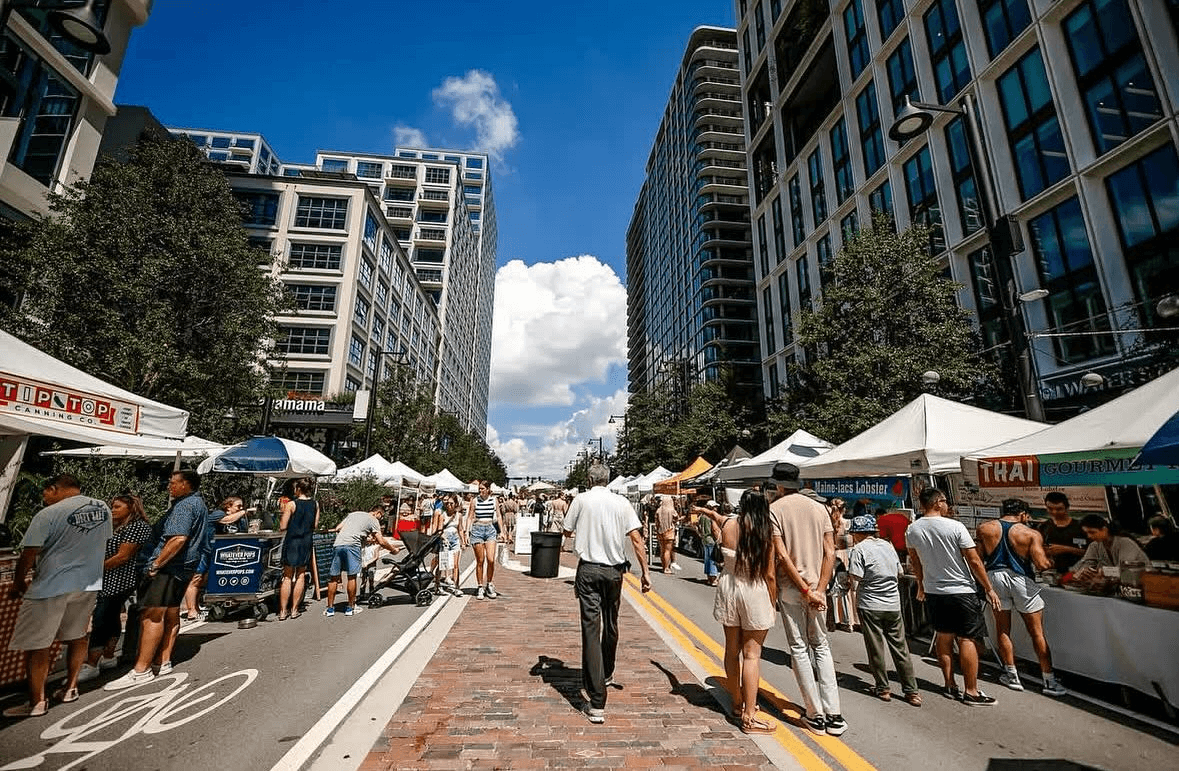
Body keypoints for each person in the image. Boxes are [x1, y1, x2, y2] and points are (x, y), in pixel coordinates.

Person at [4, 474, 112, 717]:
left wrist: (19, 582)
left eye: (45, 494)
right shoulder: (102, 508)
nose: (44, 499)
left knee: (37, 644)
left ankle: (37, 702)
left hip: (51, 586)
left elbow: (29, 553)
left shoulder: (48, 514)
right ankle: (71, 688)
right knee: (77, 637)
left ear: (53, 489)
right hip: (88, 583)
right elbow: (100, 541)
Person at [714, 489, 811, 733]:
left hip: (729, 588)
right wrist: (772, 600)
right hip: (753, 589)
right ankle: (749, 715)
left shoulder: (728, 526)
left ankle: (737, 703)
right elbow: (769, 574)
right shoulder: (764, 532)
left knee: (731, 650)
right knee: (752, 655)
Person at [563, 463, 651, 724]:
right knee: (611, 624)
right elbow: (636, 539)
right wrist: (646, 572)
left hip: (588, 570)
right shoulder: (621, 503)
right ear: (609, 479)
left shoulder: (581, 500)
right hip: (614, 572)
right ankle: (608, 672)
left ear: (589, 479)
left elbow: (566, 531)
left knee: (591, 629)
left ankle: (597, 700)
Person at [105, 470, 208, 691]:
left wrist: (156, 564)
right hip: (182, 568)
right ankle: (163, 661)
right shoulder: (197, 503)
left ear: (186, 485)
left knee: (153, 614)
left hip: (168, 568)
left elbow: (178, 538)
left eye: (173, 483)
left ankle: (141, 670)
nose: (169, 487)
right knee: (171, 612)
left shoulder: (184, 506)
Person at [765, 462, 845, 736]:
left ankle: (814, 713)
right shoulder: (819, 508)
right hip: (816, 588)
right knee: (821, 647)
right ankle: (834, 712)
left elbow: (782, 555)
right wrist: (819, 588)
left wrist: (804, 589)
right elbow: (830, 553)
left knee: (799, 648)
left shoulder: (774, 509)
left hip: (792, 588)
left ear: (778, 484)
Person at [905, 488, 1000, 706]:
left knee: (944, 636)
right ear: (938, 503)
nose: (948, 505)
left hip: (934, 590)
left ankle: (949, 684)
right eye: (946, 501)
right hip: (961, 590)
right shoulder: (955, 526)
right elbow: (974, 560)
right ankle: (971, 691)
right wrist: (988, 588)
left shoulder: (912, 529)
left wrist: (921, 584)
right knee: (967, 638)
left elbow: (916, 561)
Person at [976, 499, 1067, 697]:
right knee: (1037, 633)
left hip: (994, 578)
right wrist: (1052, 558)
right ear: (1023, 514)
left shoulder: (985, 528)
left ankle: (1012, 675)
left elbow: (979, 558)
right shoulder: (1031, 534)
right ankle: (1049, 680)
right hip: (1021, 580)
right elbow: (1041, 564)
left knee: (1002, 629)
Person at [846, 514, 921, 706]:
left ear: (857, 533)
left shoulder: (859, 549)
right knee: (901, 649)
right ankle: (911, 691)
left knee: (876, 648)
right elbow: (899, 572)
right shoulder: (888, 546)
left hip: (870, 605)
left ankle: (883, 688)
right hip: (893, 604)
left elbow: (856, 576)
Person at [78, 494, 153, 683]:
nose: (113, 510)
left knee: (101, 618)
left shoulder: (137, 527)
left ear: (131, 508)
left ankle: (92, 663)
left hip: (123, 578)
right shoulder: (117, 526)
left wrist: (96, 568)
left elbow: (123, 556)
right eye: (112, 506)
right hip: (111, 578)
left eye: (118, 507)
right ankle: (108, 656)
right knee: (110, 617)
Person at [324, 506, 402, 616]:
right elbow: (381, 541)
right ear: (378, 513)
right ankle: (350, 607)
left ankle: (330, 609)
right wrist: (393, 550)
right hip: (352, 546)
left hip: (338, 544)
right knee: (352, 576)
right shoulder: (373, 520)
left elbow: (338, 528)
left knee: (334, 577)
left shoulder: (353, 514)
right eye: (381, 516)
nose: (380, 519)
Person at [182, 496, 247, 622]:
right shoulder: (219, 514)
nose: (241, 508)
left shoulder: (238, 519)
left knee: (207, 579)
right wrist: (243, 512)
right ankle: (191, 610)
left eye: (242, 507)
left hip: (220, 553)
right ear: (228, 506)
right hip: (204, 551)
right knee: (196, 578)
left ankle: (203, 605)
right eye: (238, 506)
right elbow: (226, 520)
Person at [278, 479, 319, 620]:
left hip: (292, 541)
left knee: (287, 576)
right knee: (301, 575)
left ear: (298, 489)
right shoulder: (315, 504)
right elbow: (315, 524)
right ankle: (294, 609)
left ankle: (283, 611)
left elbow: (283, 526)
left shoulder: (291, 504)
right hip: (306, 541)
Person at [1072, 515, 1150, 579]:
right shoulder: (1094, 545)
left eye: (1092, 532)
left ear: (1105, 529)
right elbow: (1086, 563)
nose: (1089, 536)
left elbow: (1126, 569)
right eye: (1087, 533)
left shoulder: (1125, 542)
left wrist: (1103, 571)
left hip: (1143, 581)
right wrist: (1084, 571)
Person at [465, 480, 505, 599]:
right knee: (480, 560)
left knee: (491, 559)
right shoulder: (475, 501)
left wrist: (502, 531)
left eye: (482, 488)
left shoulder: (494, 500)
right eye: (479, 489)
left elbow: (498, 516)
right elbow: (470, 517)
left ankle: (490, 583)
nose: (480, 491)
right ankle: (480, 586)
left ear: (488, 489)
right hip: (477, 529)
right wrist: (467, 532)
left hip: (490, 529)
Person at [1037, 491, 1087, 574]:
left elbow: (1091, 553)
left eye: (1059, 509)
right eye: (1050, 508)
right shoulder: (1043, 527)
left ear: (1067, 508)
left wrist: (1066, 549)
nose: (1054, 512)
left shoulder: (1080, 527)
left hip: (1076, 572)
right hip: (1051, 573)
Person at [436, 494, 464, 597]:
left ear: (456, 504)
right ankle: (437, 585)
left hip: (455, 539)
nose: (449, 505)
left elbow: (460, 529)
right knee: (443, 565)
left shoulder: (458, 516)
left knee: (456, 565)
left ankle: (456, 587)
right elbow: (439, 530)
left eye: (451, 503)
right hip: (445, 540)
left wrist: (463, 541)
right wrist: (444, 537)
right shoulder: (442, 515)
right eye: (447, 503)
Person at [691, 498, 722, 586]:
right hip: (711, 539)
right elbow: (714, 530)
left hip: (704, 539)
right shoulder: (711, 517)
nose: (716, 508)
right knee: (713, 559)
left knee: (707, 559)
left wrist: (701, 534)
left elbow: (697, 527)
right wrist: (719, 540)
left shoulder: (702, 516)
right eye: (715, 507)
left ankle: (709, 578)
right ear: (711, 507)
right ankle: (713, 579)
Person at [654, 494, 679, 574]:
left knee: (662, 550)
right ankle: (666, 568)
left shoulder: (658, 510)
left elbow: (656, 522)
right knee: (667, 551)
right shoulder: (671, 510)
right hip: (669, 531)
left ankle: (663, 566)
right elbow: (676, 518)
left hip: (660, 531)